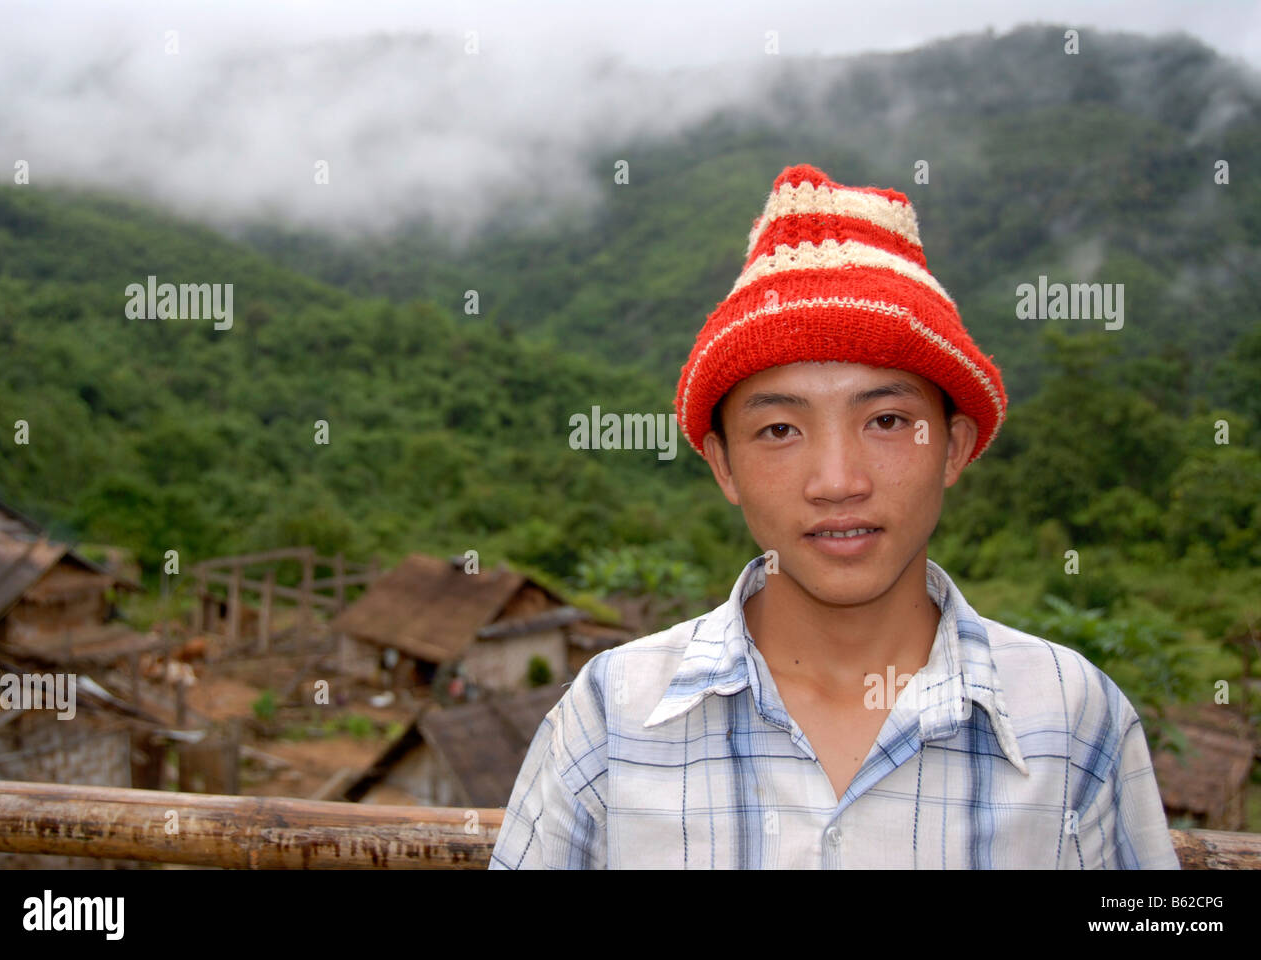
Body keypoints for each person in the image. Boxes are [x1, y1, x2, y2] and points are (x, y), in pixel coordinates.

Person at [489, 163, 1179, 869]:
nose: (837, 482)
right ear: (723, 464)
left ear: (954, 448)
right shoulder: (612, 717)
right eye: (780, 430)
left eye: (886, 419)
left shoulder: (1072, 718)